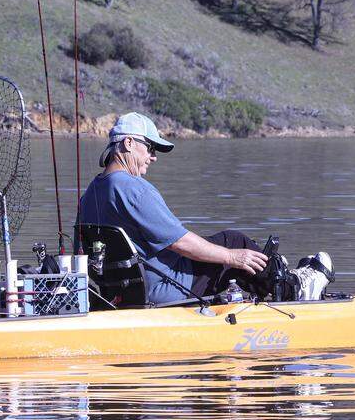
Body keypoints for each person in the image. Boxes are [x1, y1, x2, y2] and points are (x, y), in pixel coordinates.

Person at [74, 112, 273, 305]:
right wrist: (232, 256)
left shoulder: (89, 195)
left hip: (117, 292)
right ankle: (287, 291)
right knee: (235, 242)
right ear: (128, 143)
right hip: (163, 288)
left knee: (219, 247)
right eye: (150, 148)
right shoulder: (134, 189)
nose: (153, 157)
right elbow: (180, 242)